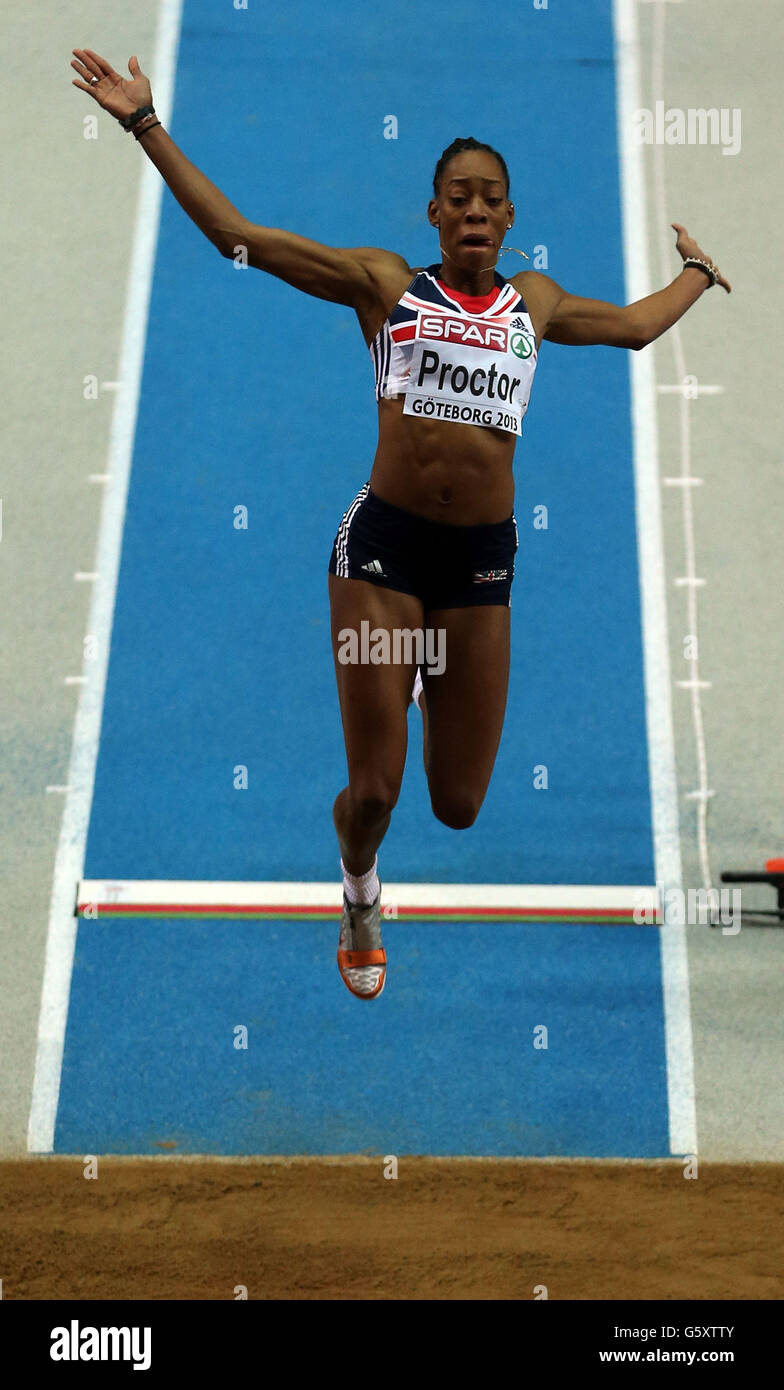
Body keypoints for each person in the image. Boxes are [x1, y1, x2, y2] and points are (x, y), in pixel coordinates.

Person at [71, 48, 731, 1003]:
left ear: (510, 219)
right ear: (433, 214)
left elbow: (630, 328)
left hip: (478, 571)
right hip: (380, 554)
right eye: (456, 196)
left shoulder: (533, 304)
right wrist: (143, 124)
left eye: (490, 198)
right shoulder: (385, 287)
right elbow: (236, 238)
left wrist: (698, 275)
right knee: (376, 791)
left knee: (458, 806)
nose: (473, 210)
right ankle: (359, 893)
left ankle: (414, 679)